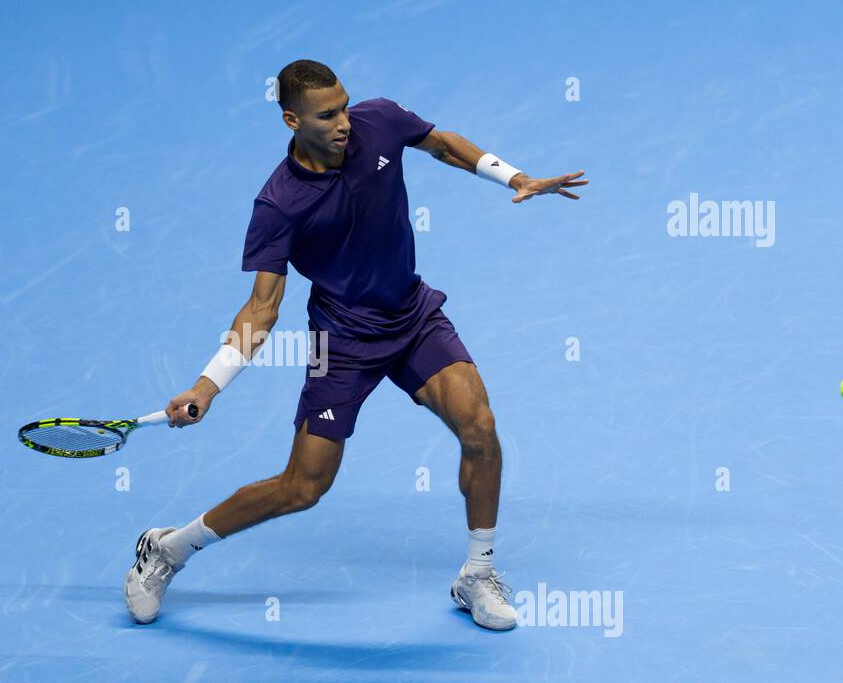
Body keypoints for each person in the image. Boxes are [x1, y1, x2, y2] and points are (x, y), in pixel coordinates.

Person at [125, 59, 585, 630]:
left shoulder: (380, 122)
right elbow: (262, 309)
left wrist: (513, 177)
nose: (345, 122)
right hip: (339, 340)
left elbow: (442, 145)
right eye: (327, 115)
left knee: (480, 428)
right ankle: (168, 549)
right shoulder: (279, 204)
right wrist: (206, 385)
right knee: (303, 486)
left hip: (412, 316)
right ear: (293, 120)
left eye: (345, 106)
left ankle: (477, 574)